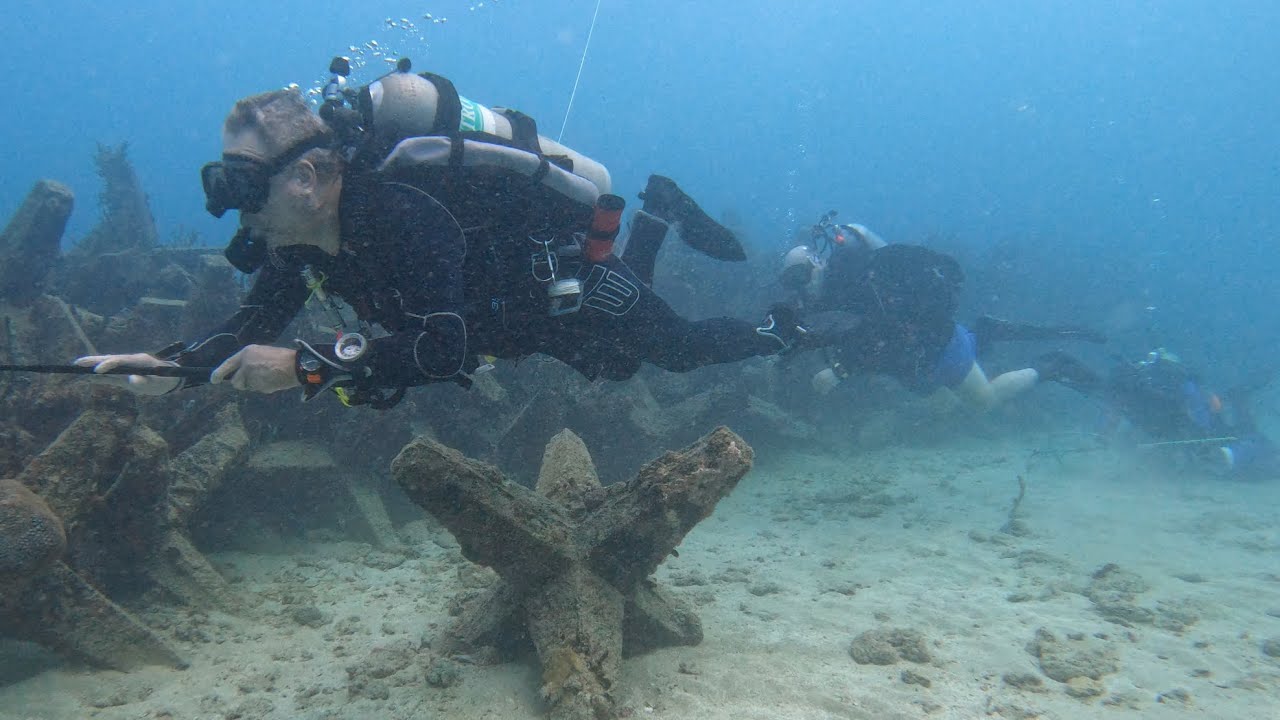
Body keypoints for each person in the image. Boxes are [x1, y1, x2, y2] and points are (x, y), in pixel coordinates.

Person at [74, 70, 805, 407]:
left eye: (240, 183)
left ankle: (776, 328)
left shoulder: (400, 213)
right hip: (508, 322)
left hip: (565, 293)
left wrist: (306, 365)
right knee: (613, 371)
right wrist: (171, 363)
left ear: (309, 176)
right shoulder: (295, 239)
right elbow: (250, 325)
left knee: (667, 354)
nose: (229, 208)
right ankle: (651, 219)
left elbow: (444, 349)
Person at [778, 216, 1104, 410]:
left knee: (984, 400)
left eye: (801, 275)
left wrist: (840, 371)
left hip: (936, 342)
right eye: (793, 281)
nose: (801, 286)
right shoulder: (847, 283)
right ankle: (984, 333)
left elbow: (882, 330)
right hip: (922, 344)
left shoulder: (855, 281)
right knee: (941, 399)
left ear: (818, 263)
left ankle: (1053, 367)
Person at [1035, 347, 1277, 476]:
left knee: (1245, 436)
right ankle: (1238, 409)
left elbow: (1111, 413)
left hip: (1169, 427)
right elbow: (1198, 418)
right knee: (1249, 438)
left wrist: (1103, 437)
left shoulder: (1134, 387)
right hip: (1176, 428)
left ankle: (1239, 400)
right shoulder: (1176, 384)